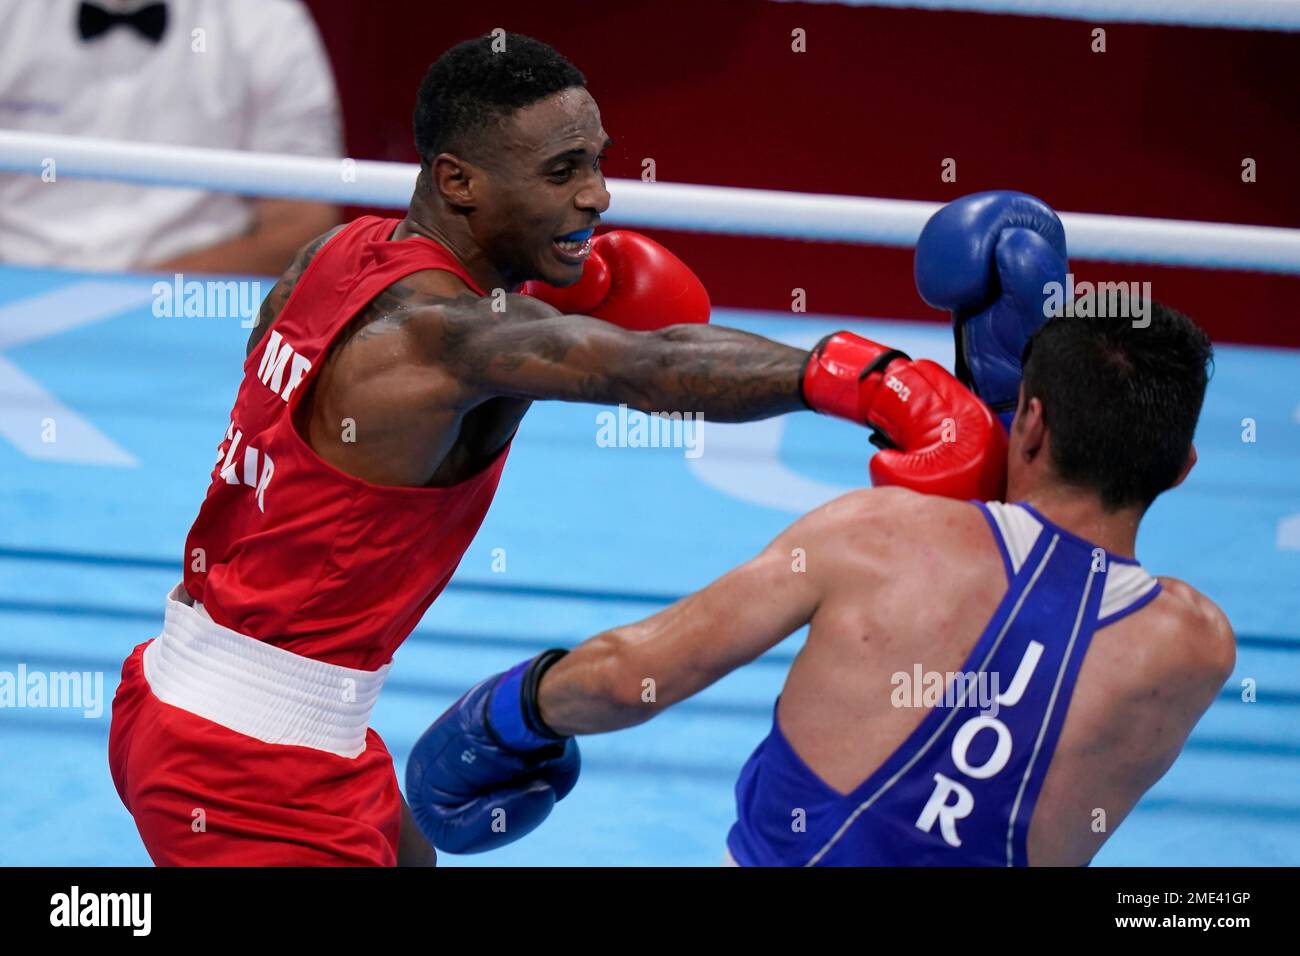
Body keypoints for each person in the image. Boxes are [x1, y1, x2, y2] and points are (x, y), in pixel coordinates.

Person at [106, 32, 1008, 866]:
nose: (598, 196)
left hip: (196, 693)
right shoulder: (445, 338)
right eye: (562, 170)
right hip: (244, 765)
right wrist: (868, 377)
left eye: (598, 162)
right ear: (459, 181)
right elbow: (646, 367)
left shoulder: (341, 251)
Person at [410, 298, 1235, 866]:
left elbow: (632, 679)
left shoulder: (879, 538)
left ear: (1033, 421)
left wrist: (510, 711)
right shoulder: (1199, 649)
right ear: (1183, 469)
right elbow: (1044, 607)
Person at [0, 0, 340, 273]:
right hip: (13, 283)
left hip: (190, 298)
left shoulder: (267, 21)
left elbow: (302, 223)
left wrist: (146, 294)